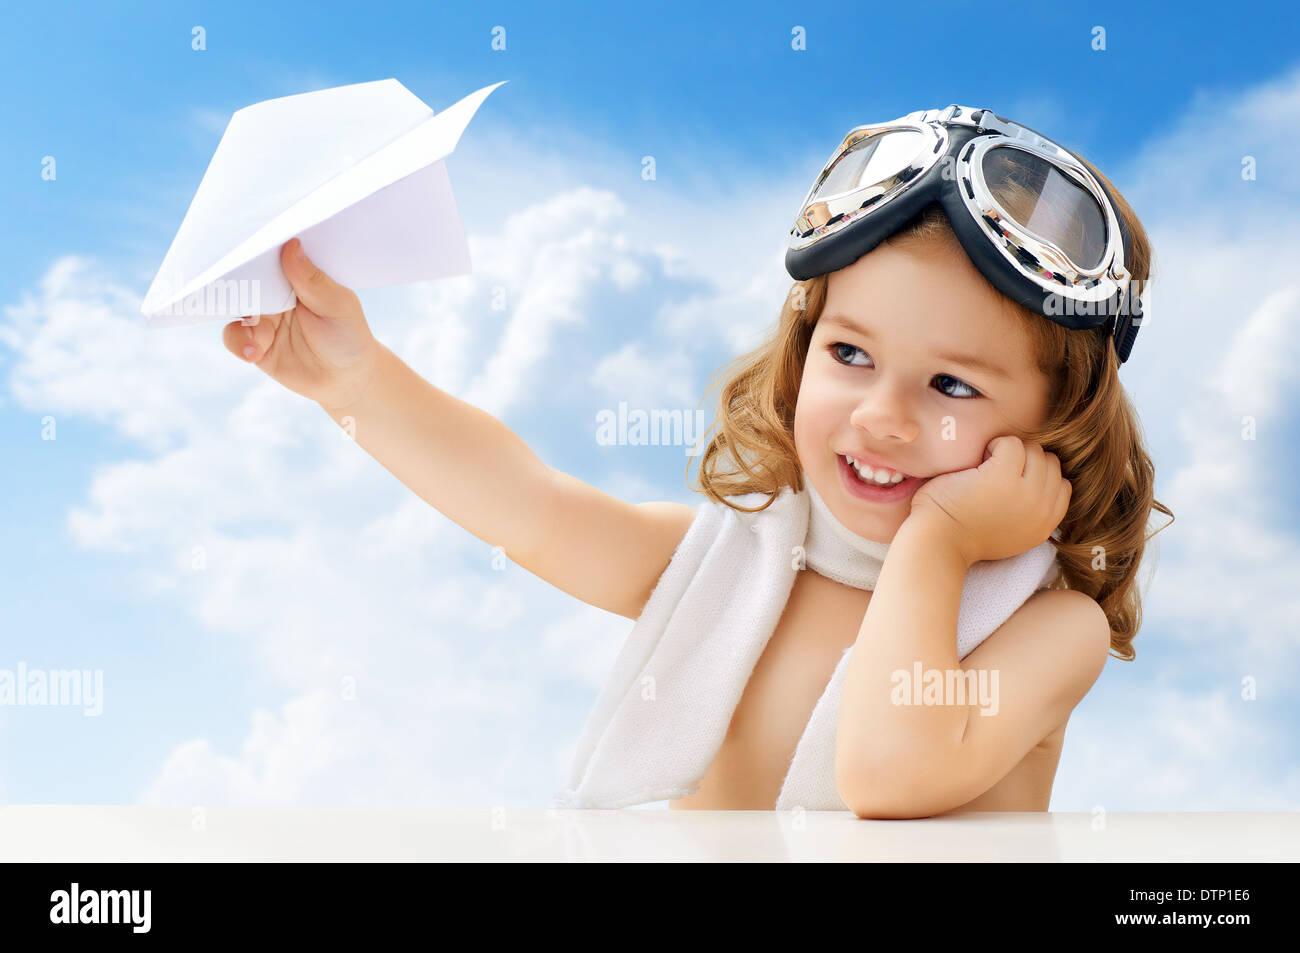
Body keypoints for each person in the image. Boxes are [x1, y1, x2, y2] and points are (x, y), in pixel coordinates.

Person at [222, 106, 1171, 818]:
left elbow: (888, 773)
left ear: (1062, 423)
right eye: (850, 353)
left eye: (951, 385)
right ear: (802, 353)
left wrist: (941, 543)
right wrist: (356, 380)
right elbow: (528, 507)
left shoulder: (1052, 629)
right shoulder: (736, 560)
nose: (882, 417)